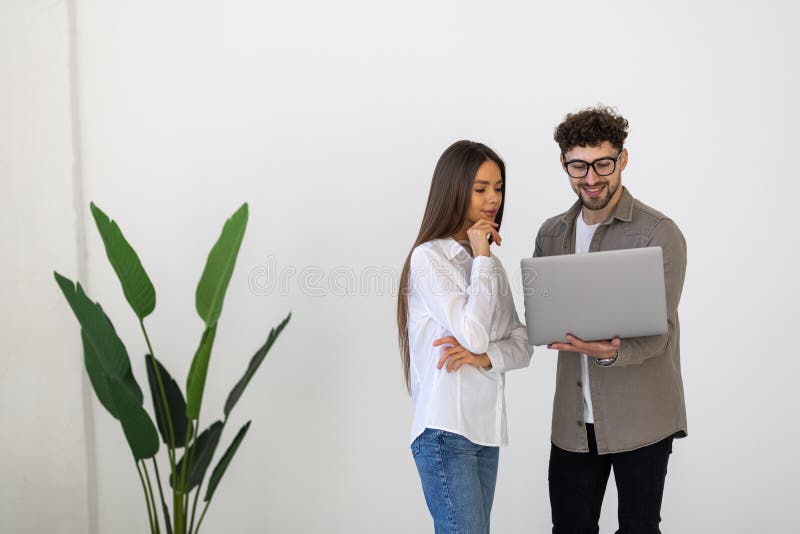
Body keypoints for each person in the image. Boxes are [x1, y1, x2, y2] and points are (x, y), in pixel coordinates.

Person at [534, 106, 688, 534]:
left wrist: (607, 354)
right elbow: (542, 316)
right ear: (563, 163)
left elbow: (661, 332)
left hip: (642, 419)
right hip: (572, 424)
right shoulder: (551, 234)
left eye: (603, 163)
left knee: (638, 529)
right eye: (578, 165)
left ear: (622, 159)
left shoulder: (658, 233)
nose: (591, 177)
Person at [397, 140, 533, 534]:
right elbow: (473, 334)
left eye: (499, 187)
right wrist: (483, 258)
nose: (493, 199)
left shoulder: (487, 265)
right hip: (445, 432)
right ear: (454, 189)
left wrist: (484, 358)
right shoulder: (429, 258)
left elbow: (522, 343)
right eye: (480, 189)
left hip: (484, 434)